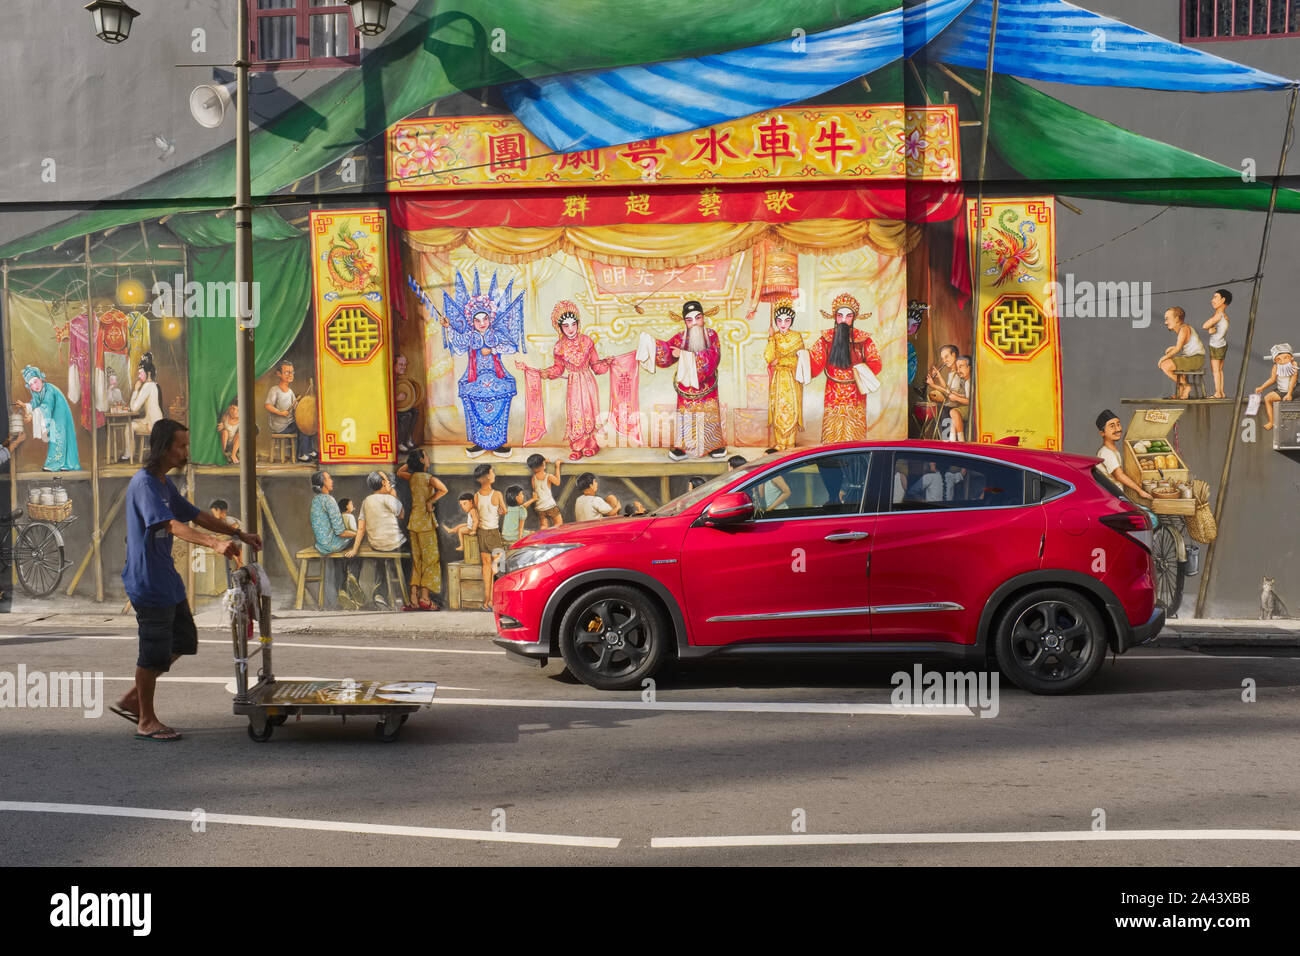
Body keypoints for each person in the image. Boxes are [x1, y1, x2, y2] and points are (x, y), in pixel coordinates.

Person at [116, 419, 261, 740]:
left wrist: (239, 533)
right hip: (147, 582)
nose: (185, 452)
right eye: (181, 446)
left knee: (184, 641)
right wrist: (214, 543)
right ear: (164, 447)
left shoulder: (164, 484)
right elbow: (170, 525)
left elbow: (196, 515)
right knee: (152, 652)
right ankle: (146, 720)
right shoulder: (144, 484)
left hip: (166, 580)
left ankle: (134, 697)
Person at [516, 301, 617, 460]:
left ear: (578, 324)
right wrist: (546, 373)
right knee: (575, 413)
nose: (570, 329)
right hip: (574, 384)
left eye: (573, 324)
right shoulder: (559, 347)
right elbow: (558, 369)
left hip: (588, 381)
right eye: (566, 326)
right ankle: (577, 446)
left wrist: (606, 363)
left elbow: (596, 367)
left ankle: (591, 445)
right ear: (560, 327)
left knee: (590, 411)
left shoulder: (587, 341)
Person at [649, 300, 727, 461]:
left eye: (698, 318)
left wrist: (684, 355)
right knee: (686, 417)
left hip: (707, 386)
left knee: (708, 415)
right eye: (689, 320)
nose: (694, 323)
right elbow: (666, 354)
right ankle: (684, 447)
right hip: (687, 389)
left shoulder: (712, 335)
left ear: (703, 317)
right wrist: (650, 345)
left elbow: (713, 357)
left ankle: (713, 446)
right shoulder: (680, 338)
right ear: (685, 321)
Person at [808, 293, 882, 443]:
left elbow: (876, 363)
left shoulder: (864, 340)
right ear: (834, 317)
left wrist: (861, 369)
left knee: (854, 436)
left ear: (854, 318)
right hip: (833, 393)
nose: (843, 320)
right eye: (840, 315)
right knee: (832, 435)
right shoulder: (826, 339)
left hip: (855, 393)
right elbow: (814, 365)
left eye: (848, 316)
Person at [396, 448, 447, 611]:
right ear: (421, 460)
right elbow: (444, 489)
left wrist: (411, 462)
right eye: (425, 456)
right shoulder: (429, 478)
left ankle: (413, 598)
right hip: (426, 523)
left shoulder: (412, 477)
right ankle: (424, 598)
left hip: (413, 523)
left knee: (417, 561)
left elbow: (399, 471)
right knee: (430, 560)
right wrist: (430, 501)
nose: (428, 458)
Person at [348, 471, 405, 608]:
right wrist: (394, 495)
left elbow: (361, 529)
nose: (390, 484)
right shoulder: (390, 499)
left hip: (376, 544)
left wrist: (355, 549)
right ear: (384, 484)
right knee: (400, 554)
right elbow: (401, 515)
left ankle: (380, 592)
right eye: (388, 482)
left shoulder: (366, 501)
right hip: (394, 544)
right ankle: (385, 593)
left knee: (381, 558)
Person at [309, 470, 360, 610]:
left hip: (321, 544)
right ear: (323, 483)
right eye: (329, 478)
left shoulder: (316, 500)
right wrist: (357, 534)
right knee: (357, 547)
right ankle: (350, 582)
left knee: (342, 557)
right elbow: (340, 532)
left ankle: (342, 591)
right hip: (332, 544)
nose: (331, 481)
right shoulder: (329, 500)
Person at [15, 365, 80, 471]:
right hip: (54, 413)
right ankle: (66, 464)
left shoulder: (49, 389)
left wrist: (32, 416)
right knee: (57, 435)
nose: (34, 386)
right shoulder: (38, 391)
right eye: (31, 384)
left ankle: (55, 464)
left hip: (60, 412)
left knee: (58, 435)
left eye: (35, 381)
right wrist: (24, 405)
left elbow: (46, 406)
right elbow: (35, 402)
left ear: (40, 378)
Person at [763, 297, 808, 450]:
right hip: (778, 379)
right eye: (779, 321)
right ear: (775, 321)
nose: (783, 324)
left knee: (792, 407)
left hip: (792, 378)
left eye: (787, 320)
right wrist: (770, 338)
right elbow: (768, 358)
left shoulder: (796, 337)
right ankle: (780, 443)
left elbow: (799, 360)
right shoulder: (774, 336)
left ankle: (791, 442)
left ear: (791, 321)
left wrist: (781, 361)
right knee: (778, 408)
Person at [264, 359, 317, 462]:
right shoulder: (275, 390)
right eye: (287, 372)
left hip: (289, 423)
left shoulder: (290, 392)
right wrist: (280, 413)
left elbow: (295, 406)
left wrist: (304, 406)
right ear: (279, 374)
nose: (290, 375)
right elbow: (268, 405)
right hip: (280, 426)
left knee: (307, 424)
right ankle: (302, 454)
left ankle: (310, 450)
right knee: (303, 428)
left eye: (292, 372)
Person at [472, 464, 508, 609]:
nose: (494, 474)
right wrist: (500, 511)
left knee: (486, 566)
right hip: (493, 532)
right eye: (492, 472)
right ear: (487, 476)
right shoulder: (497, 494)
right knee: (500, 562)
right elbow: (504, 511)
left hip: (481, 532)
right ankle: (498, 599)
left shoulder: (476, 496)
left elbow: (476, 515)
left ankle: (487, 601)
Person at [1095, 409, 1153, 500]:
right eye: (1112, 426)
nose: (1117, 429)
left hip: (1117, 494)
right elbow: (1119, 475)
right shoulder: (1106, 453)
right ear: (1102, 433)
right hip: (1112, 497)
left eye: (1118, 424)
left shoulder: (1112, 449)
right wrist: (1140, 491)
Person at [1157, 307, 1204, 400]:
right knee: (1176, 365)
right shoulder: (1183, 329)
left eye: (1167, 319)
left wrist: (1163, 358)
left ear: (1177, 319)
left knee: (1165, 365)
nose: (1165, 322)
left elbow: (1178, 349)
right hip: (1193, 358)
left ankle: (1186, 386)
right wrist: (1173, 348)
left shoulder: (1184, 329)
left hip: (1195, 359)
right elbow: (1186, 344)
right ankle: (1182, 392)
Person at [1254, 344, 1298, 431]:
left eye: (1286, 358)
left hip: (1293, 390)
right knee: (1267, 398)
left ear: (1291, 357)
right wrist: (1262, 387)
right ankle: (1271, 422)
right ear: (1275, 360)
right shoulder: (1275, 367)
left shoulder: (1294, 364)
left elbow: (1293, 379)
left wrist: (1289, 394)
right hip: (1281, 390)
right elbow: (1272, 379)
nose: (1282, 361)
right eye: (1279, 359)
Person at [1202, 289, 1233, 399]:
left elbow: (1205, 325)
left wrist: (1210, 328)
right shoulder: (1225, 316)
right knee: (1219, 370)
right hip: (1222, 344)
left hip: (1216, 345)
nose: (1212, 300)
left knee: (1216, 371)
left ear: (1223, 300)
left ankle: (1218, 393)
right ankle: (1221, 392)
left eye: (1215, 297)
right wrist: (1212, 329)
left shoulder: (1219, 315)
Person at [129, 351, 164, 440]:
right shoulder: (153, 385)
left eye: (141, 372)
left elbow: (134, 408)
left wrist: (135, 390)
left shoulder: (148, 386)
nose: (139, 375)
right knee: (134, 422)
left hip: (153, 425)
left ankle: (128, 453)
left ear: (148, 373)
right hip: (156, 422)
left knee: (130, 426)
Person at [393, 352, 424, 453]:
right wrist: (396, 398)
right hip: (389, 410)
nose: (404, 367)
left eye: (405, 365)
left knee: (414, 412)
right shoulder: (389, 377)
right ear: (394, 365)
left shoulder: (398, 377)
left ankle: (408, 440)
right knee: (406, 415)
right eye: (401, 364)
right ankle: (400, 443)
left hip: (398, 407)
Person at [528, 454, 563, 527]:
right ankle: (552, 534)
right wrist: (557, 467)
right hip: (550, 506)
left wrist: (543, 462)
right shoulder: (548, 476)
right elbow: (558, 482)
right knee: (559, 523)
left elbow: (535, 490)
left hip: (539, 507)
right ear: (544, 464)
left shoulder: (533, 478)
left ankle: (544, 536)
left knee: (543, 525)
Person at [217, 400, 240, 464]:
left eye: (238, 410)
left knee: (240, 434)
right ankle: (223, 453)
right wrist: (222, 425)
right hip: (225, 442)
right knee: (225, 432)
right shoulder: (225, 417)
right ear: (229, 408)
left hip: (234, 444)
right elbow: (220, 426)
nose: (234, 412)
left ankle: (233, 455)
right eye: (233, 408)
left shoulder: (241, 420)